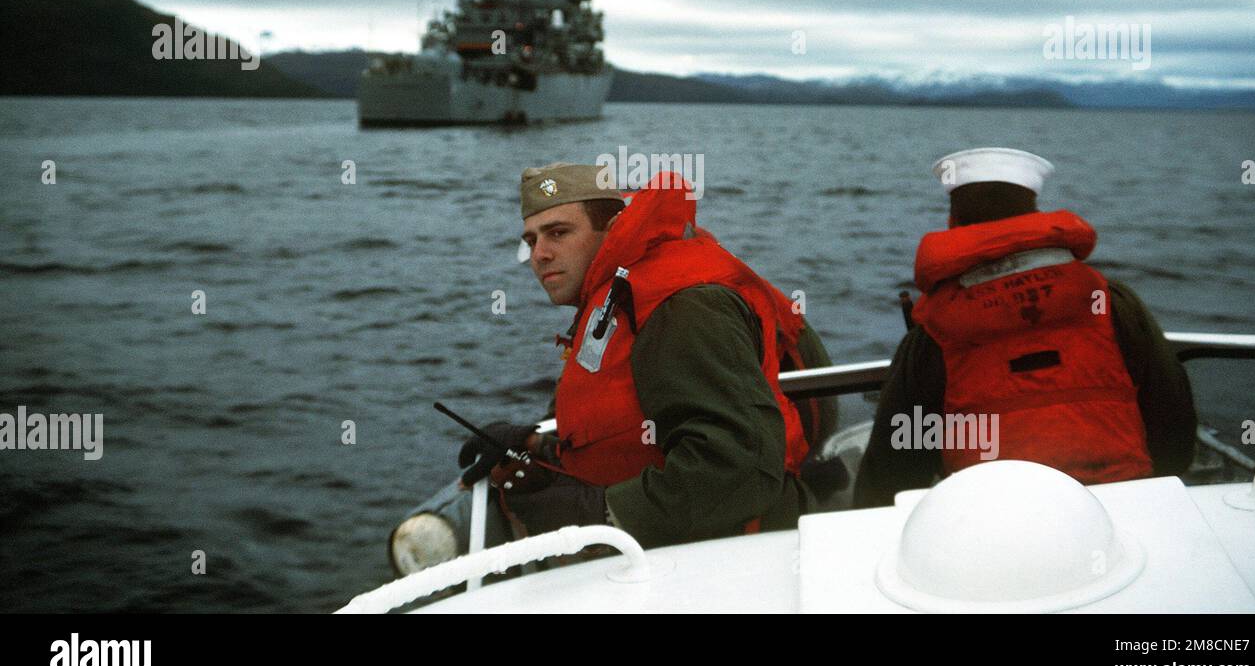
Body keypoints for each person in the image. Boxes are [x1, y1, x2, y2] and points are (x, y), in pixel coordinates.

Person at [462, 161, 835, 549]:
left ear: (612, 229)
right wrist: (538, 443)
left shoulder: (681, 307)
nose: (539, 254)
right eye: (531, 241)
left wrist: (599, 514)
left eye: (558, 233)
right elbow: (631, 429)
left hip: (728, 553)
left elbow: (738, 469)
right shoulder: (619, 297)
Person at [854, 147, 1197, 508]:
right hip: (1122, 507)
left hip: (993, 521)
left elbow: (895, 469)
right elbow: (1173, 423)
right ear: (1035, 213)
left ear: (954, 221)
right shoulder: (1113, 304)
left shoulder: (934, 330)